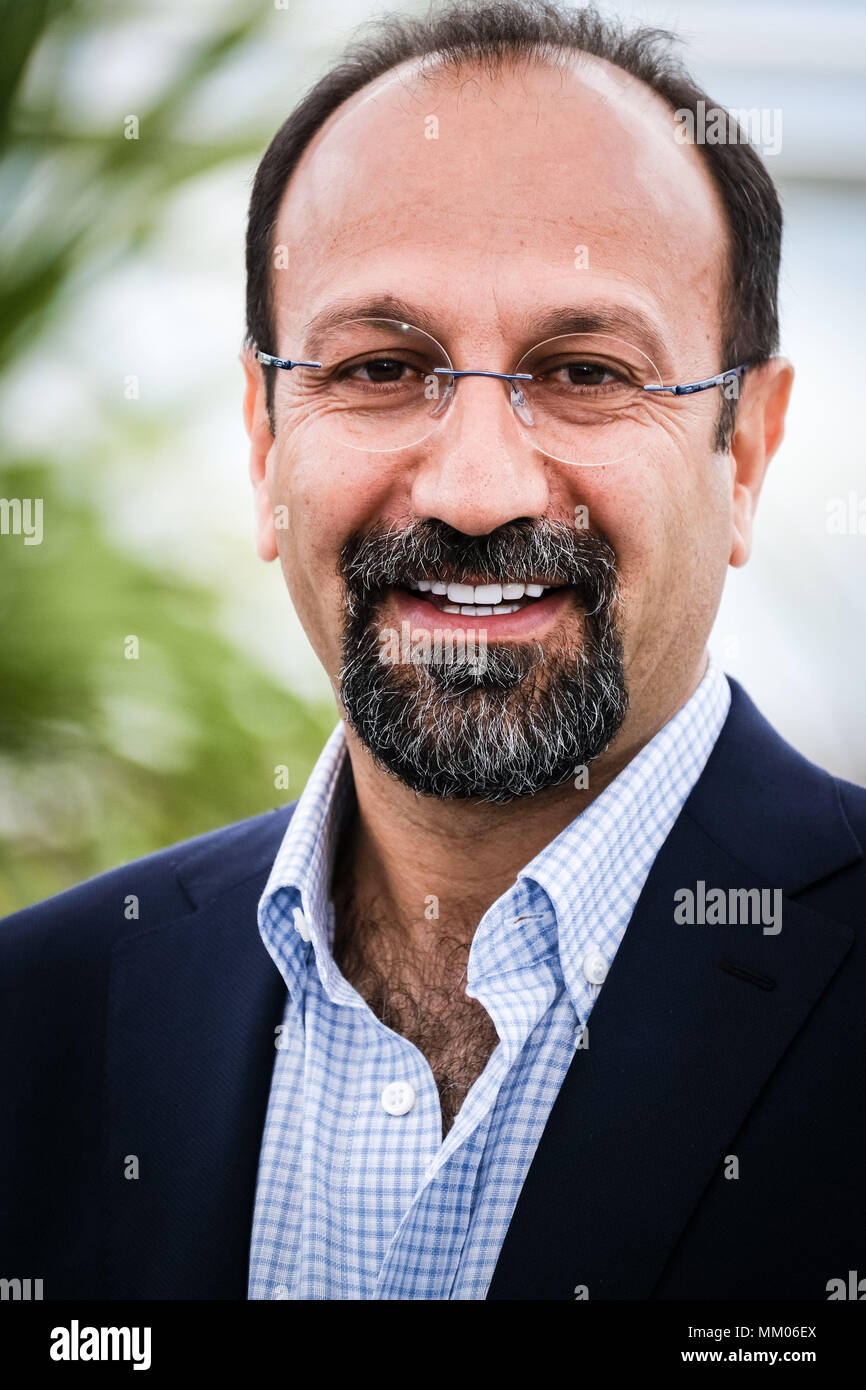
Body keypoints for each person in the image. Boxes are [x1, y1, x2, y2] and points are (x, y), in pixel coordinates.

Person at [2, 0, 864, 1302]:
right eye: (380, 367)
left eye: (583, 371)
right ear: (264, 438)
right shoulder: (33, 1015)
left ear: (741, 452)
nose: (472, 490)